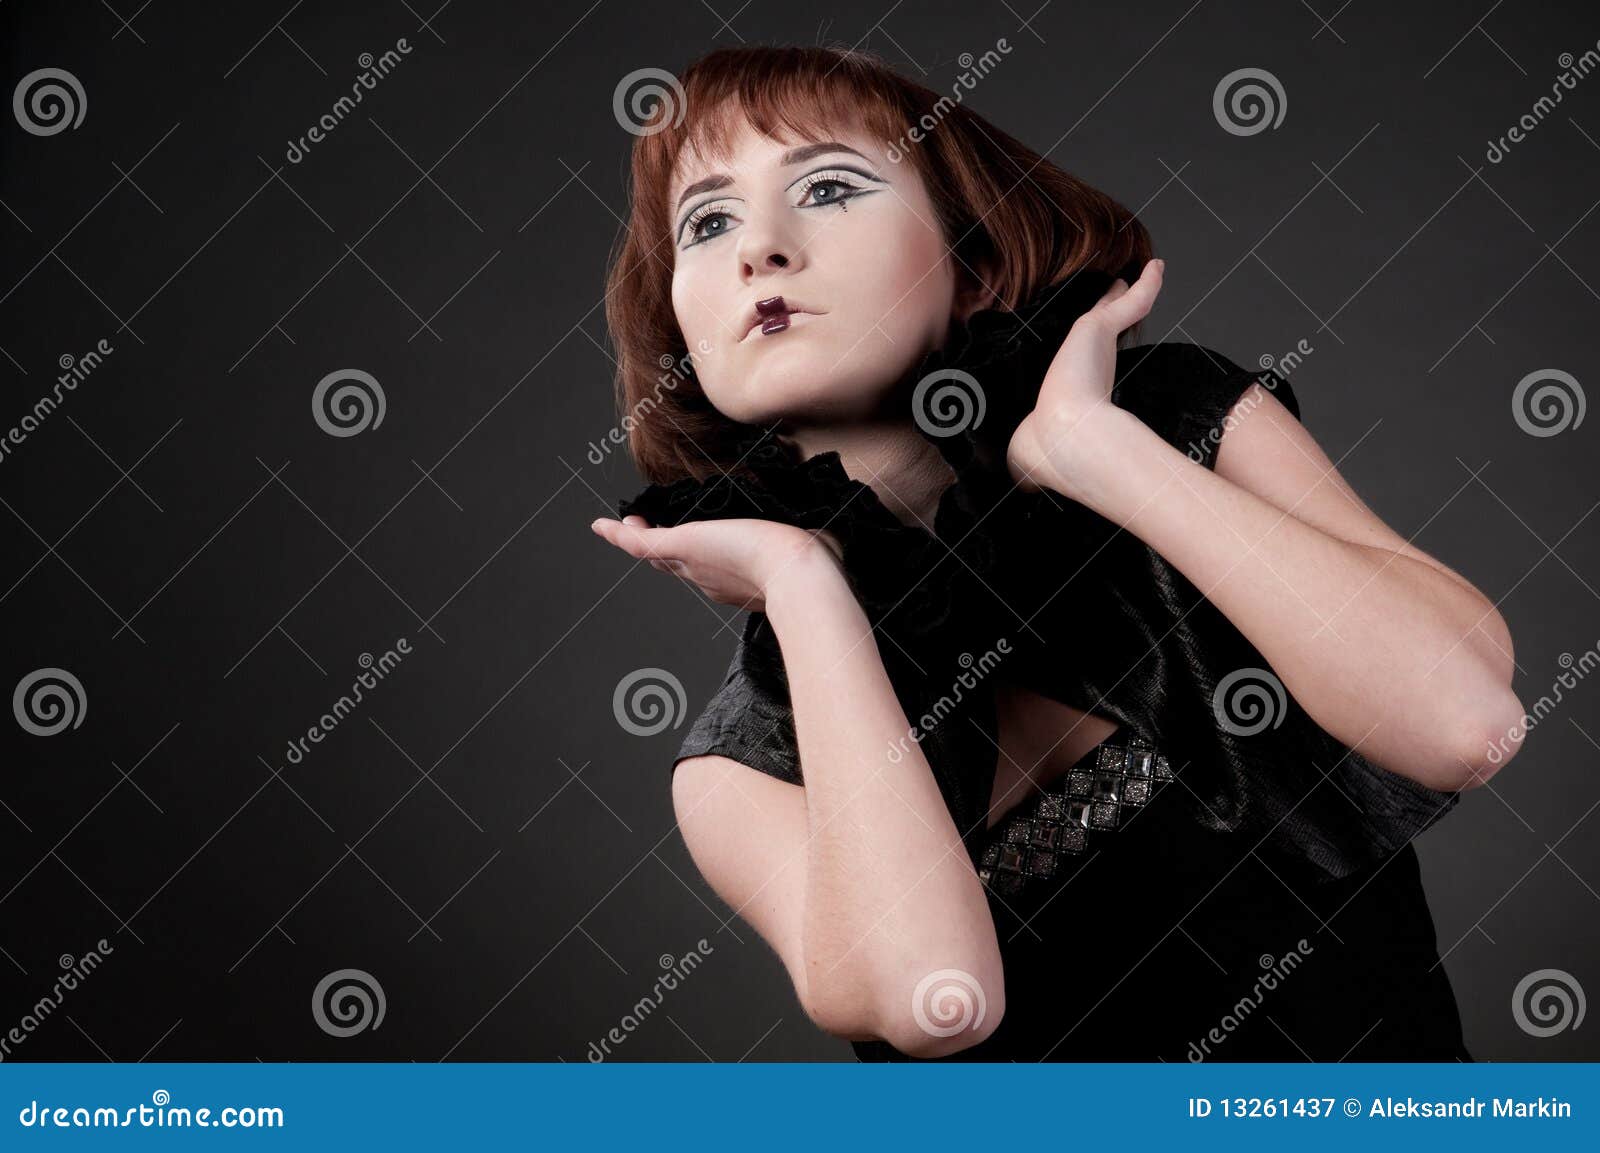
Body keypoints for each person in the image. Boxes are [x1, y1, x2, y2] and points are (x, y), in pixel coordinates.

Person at [589, 44, 1525, 1061]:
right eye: (708, 220)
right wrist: (805, 585)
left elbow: (1466, 724)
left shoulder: (1177, 423)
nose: (757, 250)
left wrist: (1095, 450)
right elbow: (930, 1001)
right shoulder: (743, 759)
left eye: (827, 187)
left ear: (974, 264)